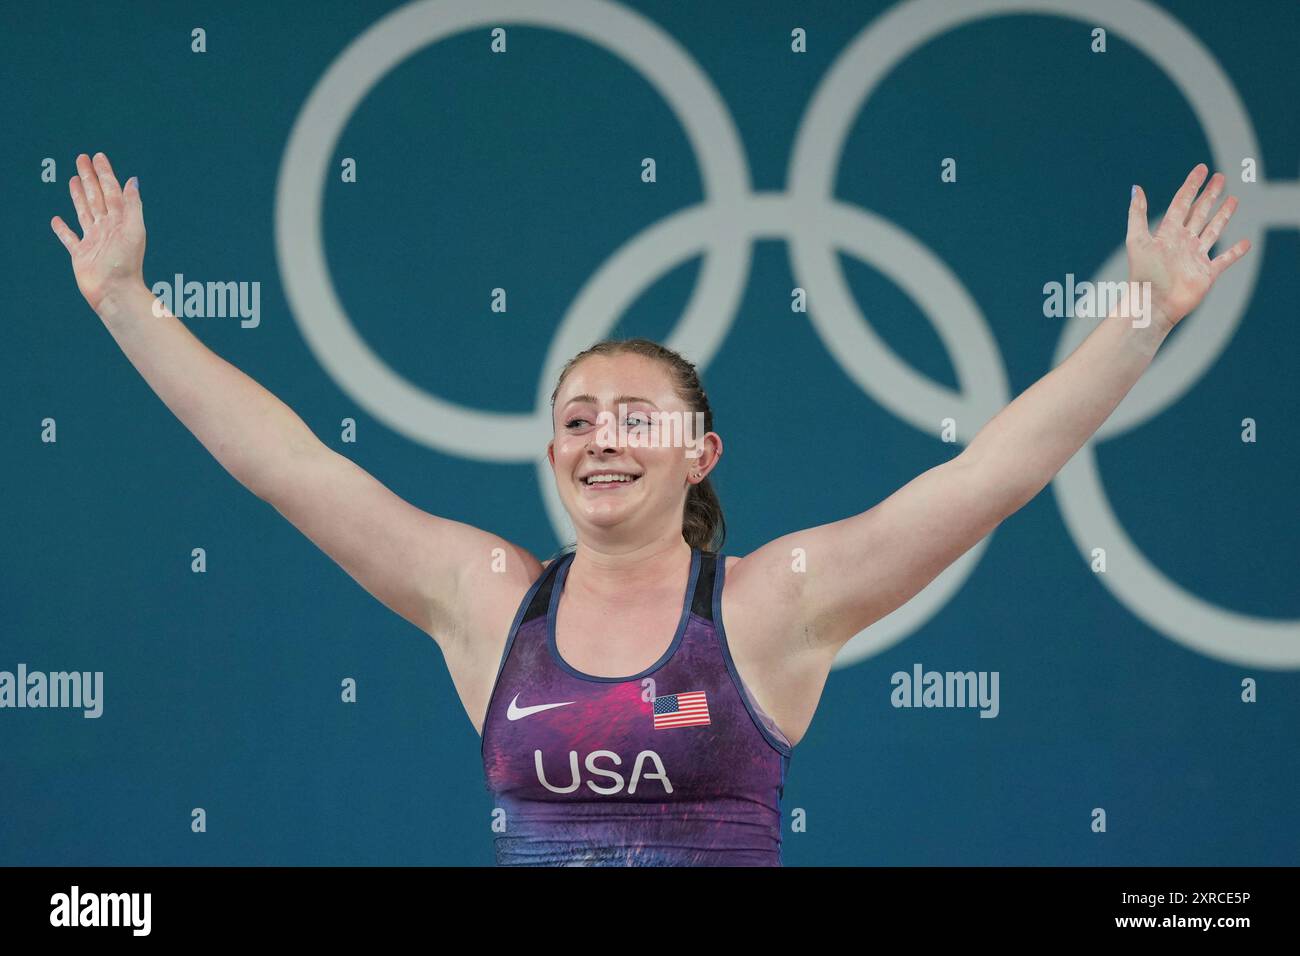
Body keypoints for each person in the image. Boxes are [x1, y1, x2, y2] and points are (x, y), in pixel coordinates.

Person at [51, 153, 1251, 866]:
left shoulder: (780, 603)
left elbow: (992, 470)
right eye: (576, 417)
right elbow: (290, 465)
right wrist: (124, 303)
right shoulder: (484, 600)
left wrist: (1140, 319)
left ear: (699, 454)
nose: (600, 436)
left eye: (633, 416)